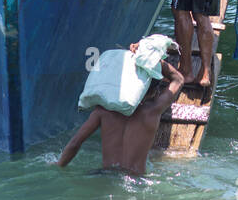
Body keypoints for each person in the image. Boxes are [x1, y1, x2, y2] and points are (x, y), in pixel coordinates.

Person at [57, 50, 185, 176]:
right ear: (152, 91)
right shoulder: (152, 111)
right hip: (134, 178)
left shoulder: (103, 111)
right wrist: (151, 58)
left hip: (104, 175)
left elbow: (75, 143)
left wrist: (58, 165)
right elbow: (178, 79)